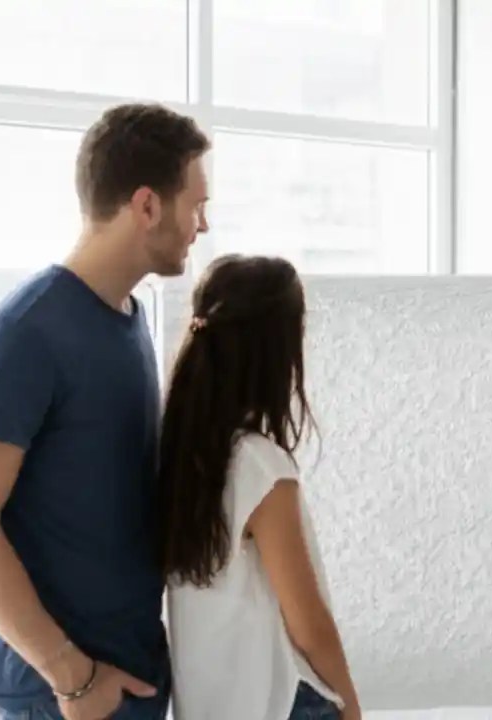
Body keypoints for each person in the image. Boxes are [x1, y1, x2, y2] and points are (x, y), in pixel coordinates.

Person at [0, 103, 211, 720]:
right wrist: (73, 677)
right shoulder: (25, 332)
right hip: (61, 699)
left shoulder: (132, 320)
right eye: (196, 205)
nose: (204, 224)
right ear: (147, 206)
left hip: (129, 685)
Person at [160, 255, 361, 720]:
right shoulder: (260, 466)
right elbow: (307, 623)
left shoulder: (178, 459)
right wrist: (352, 707)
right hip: (280, 703)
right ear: (277, 350)